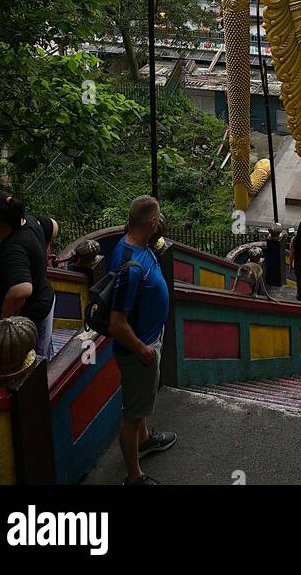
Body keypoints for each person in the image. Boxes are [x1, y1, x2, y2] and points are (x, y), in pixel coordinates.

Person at [108, 195, 175, 485]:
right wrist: (142, 349)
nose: (160, 221)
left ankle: (146, 440)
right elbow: (116, 323)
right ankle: (134, 476)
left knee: (142, 404)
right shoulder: (130, 266)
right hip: (138, 350)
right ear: (150, 221)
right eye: (157, 217)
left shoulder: (141, 244)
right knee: (132, 415)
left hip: (149, 338)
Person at [0, 191, 57, 362]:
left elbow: (22, 289)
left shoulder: (14, 249)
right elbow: (53, 225)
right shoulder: (28, 221)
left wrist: (3, 319)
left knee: (30, 365)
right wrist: (42, 256)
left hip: (25, 325)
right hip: (43, 300)